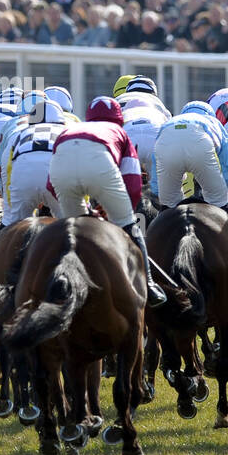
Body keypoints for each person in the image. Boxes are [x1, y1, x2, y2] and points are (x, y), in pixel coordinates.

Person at [47, 96, 166, 306]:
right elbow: (132, 181)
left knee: (73, 231)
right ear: (118, 120)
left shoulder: (69, 130)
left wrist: (85, 212)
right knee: (130, 224)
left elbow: (50, 186)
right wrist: (120, 212)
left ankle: (59, 283)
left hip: (61, 172)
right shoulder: (119, 132)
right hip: (100, 168)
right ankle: (148, 284)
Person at [151, 101, 228, 227]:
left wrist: (158, 191)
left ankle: (149, 242)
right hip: (200, 143)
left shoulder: (172, 121)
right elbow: (227, 156)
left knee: (168, 206)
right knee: (219, 201)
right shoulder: (213, 121)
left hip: (167, 144)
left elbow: (156, 159)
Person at [1, 98, 67, 226]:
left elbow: (6, 170)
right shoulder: (67, 131)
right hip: (56, 179)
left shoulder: (19, 133)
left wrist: (9, 210)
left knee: (10, 226)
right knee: (72, 226)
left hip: (23, 178)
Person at [116, 75, 171, 177]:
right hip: (155, 138)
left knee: (123, 184)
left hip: (129, 138)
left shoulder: (119, 101)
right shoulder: (158, 105)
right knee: (166, 186)